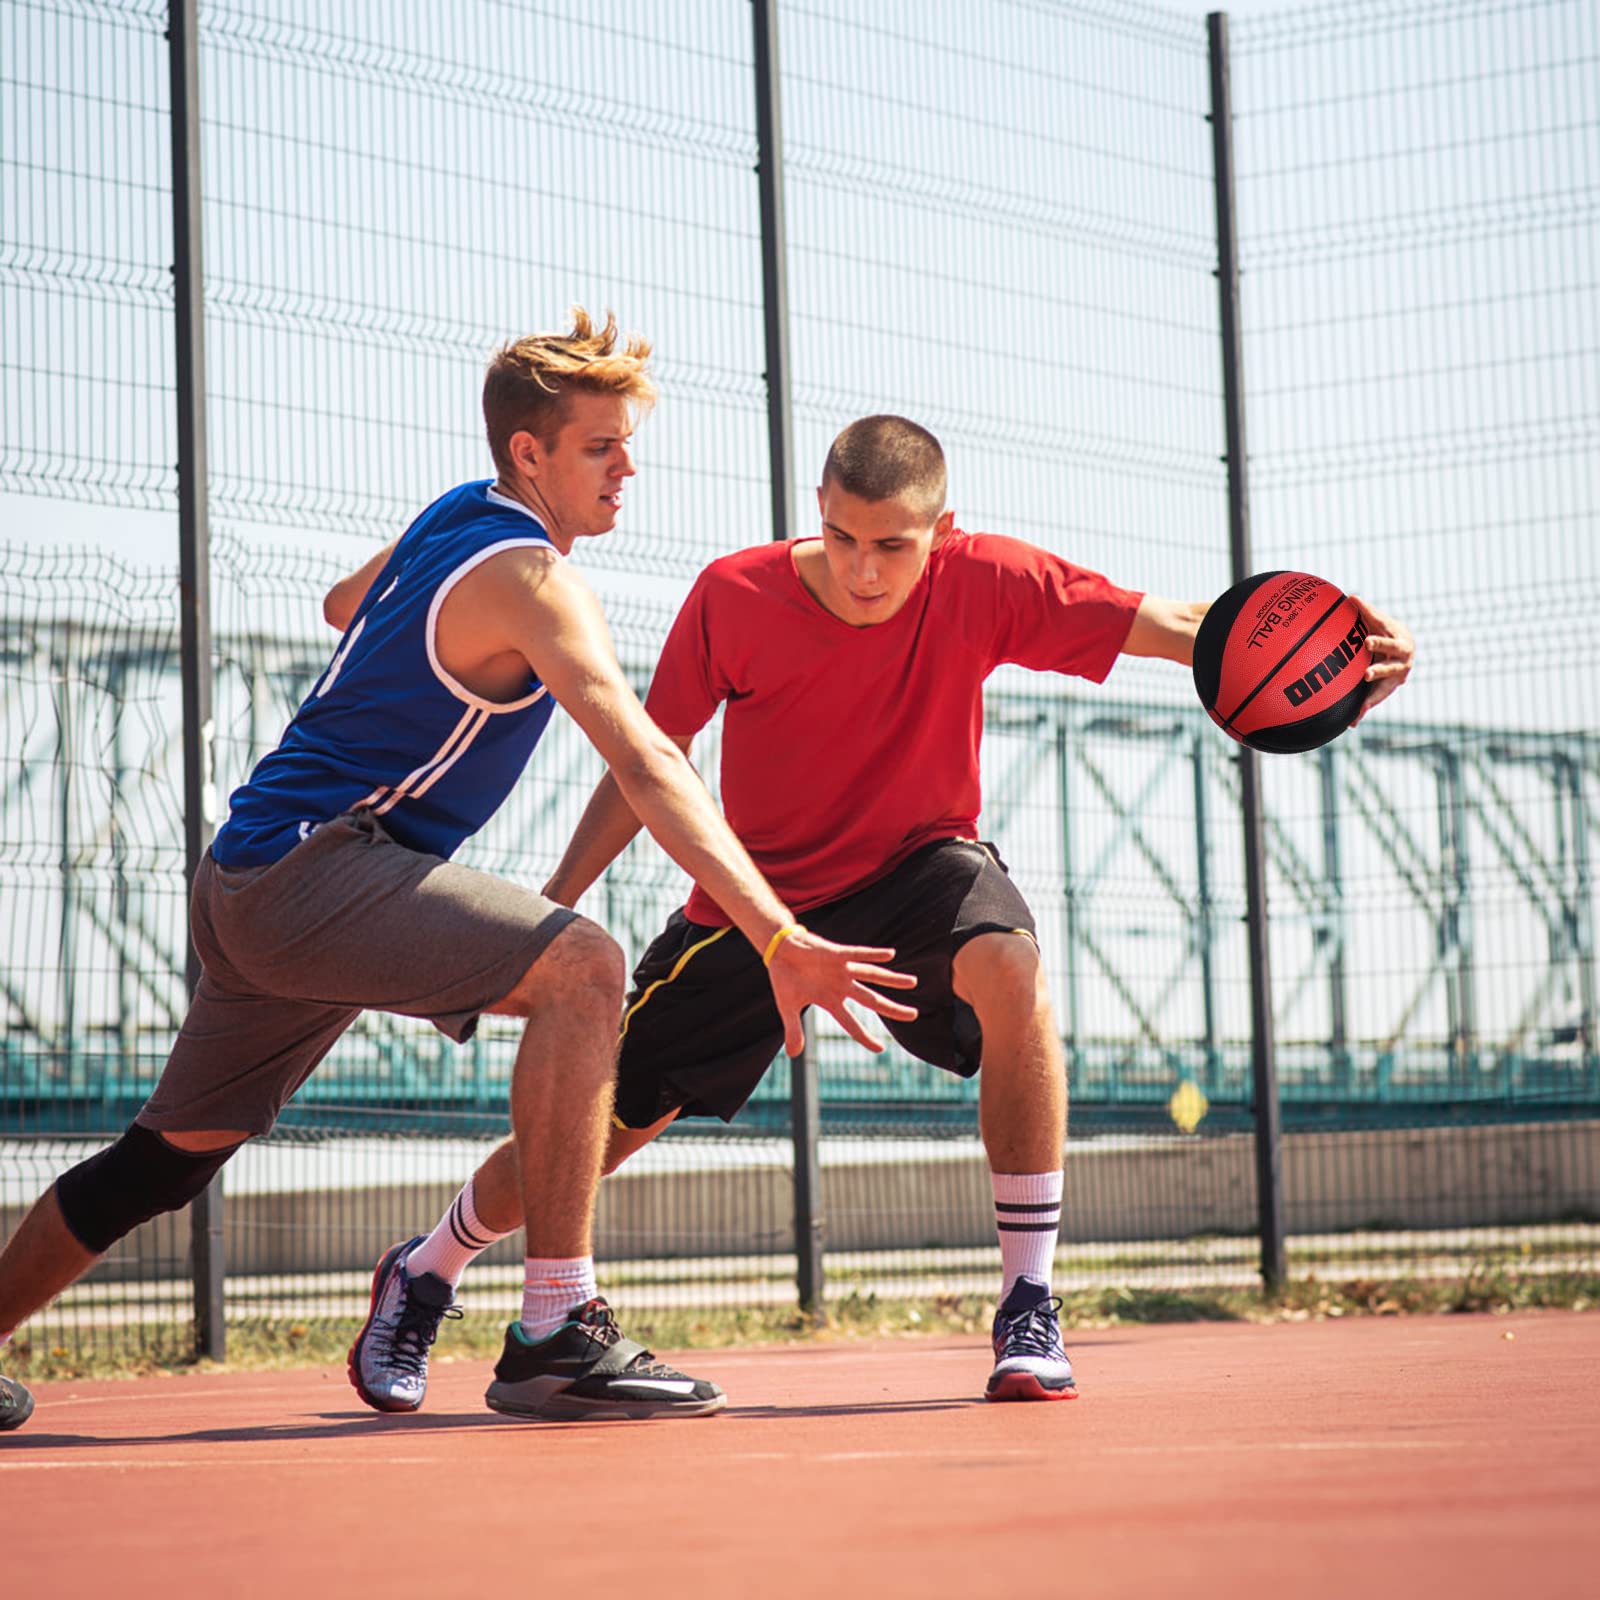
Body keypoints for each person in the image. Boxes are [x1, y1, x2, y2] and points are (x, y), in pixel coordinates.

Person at [362, 413, 1417, 1410]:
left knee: (1010, 964)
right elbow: (651, 762)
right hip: (754, 900)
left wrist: (1338, 653)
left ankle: (1028, 1304)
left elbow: (1186, 629)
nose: (867, 570)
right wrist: (550, 909)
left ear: (941, 533)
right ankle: (428, 1266)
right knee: (605, 1128)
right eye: (844, 536)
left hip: (918, 867)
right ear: (815, 505)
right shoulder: (734, 595)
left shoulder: (990, 580)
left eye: (895, 546)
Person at [0, 315, 917, 1434]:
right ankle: (553, 1329)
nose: (629, 468)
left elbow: (345, 606)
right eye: (600, 448)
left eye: (628, 444)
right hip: (317, 873)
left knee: (162, 1159)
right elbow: (641, 760)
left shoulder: (455, 513)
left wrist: (411, 636)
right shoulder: (535, 578)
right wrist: (780, 935)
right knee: (584, 967)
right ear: (529, 456)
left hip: (250, 868)